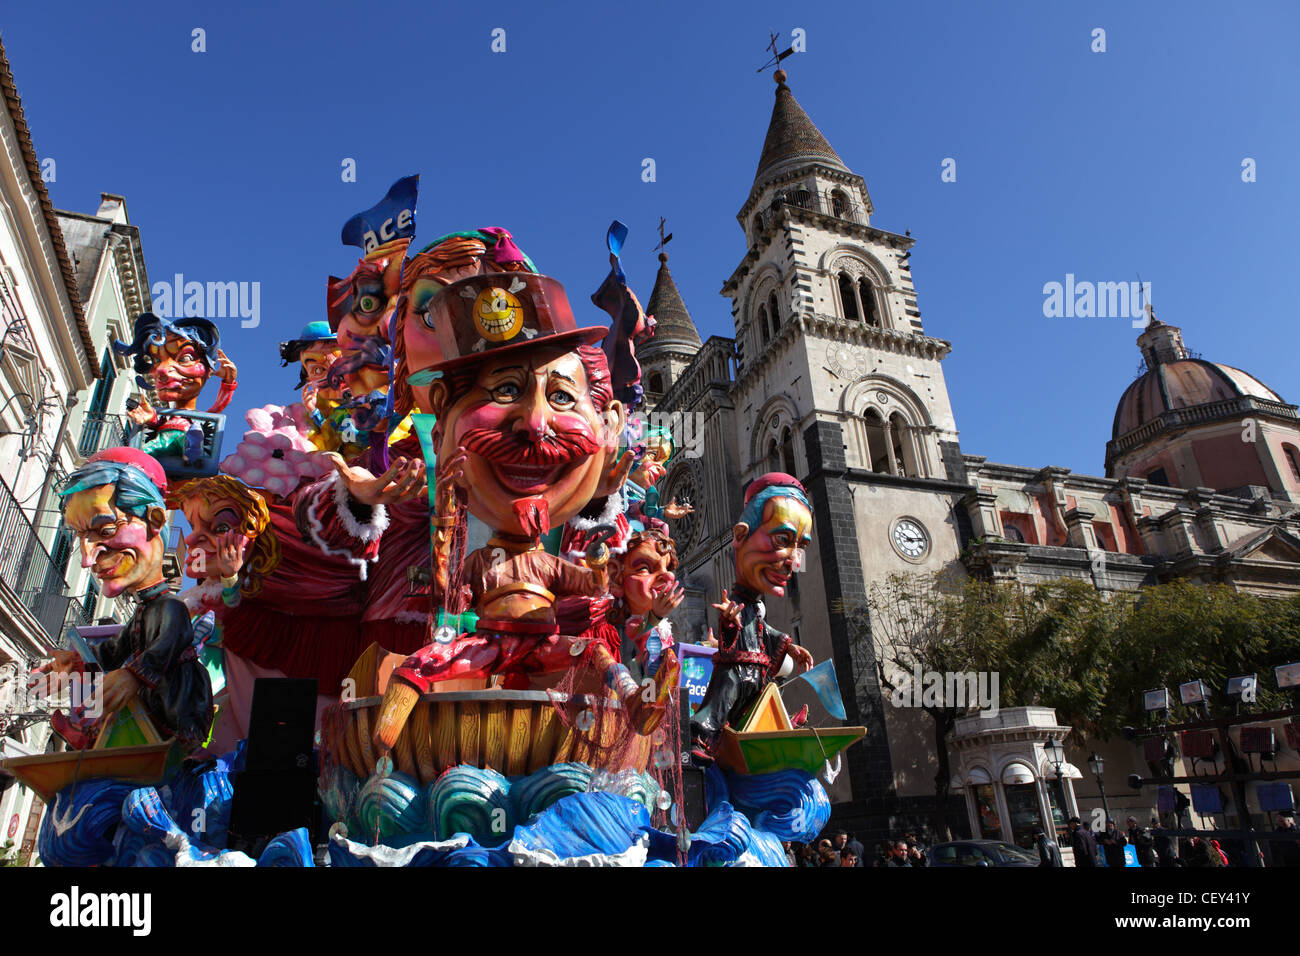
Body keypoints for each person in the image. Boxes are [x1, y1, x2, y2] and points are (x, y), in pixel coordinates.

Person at [688, 474, 816, 762]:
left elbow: (762, 630)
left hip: (757, 674)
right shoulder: (738, 602)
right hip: (736, 671)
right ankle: (699, 738)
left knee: (759, 706)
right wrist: (730, 623)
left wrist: (789, 646)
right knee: (723, 699)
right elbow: (734, 628)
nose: (795, 562)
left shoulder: (757, 607)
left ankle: (775, 731)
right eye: (782, 539)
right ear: (740, 536)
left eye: (801, 548)